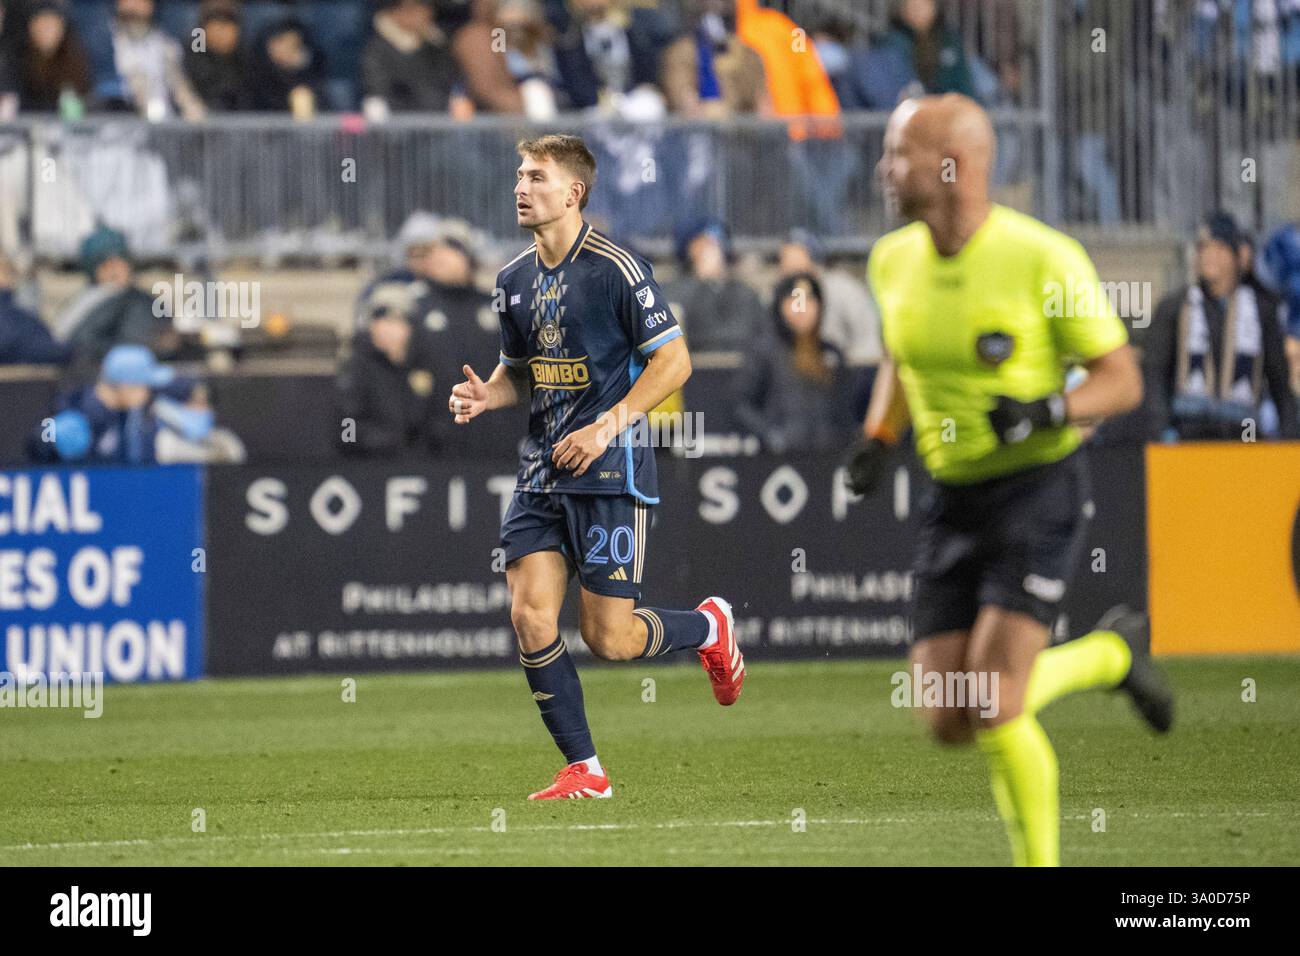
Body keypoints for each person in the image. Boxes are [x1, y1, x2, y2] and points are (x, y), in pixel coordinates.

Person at [845, 94, 1173, 867]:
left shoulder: (1042, 258)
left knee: (994, 700)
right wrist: (877, 435)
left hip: (1038, 490)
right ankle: (1111, 655)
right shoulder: (892, 259)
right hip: (951, 499)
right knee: (947, 716)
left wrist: (1049, 408)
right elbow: (900, 352)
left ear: (955, 165)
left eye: (901, 154)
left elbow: (1122, 382)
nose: (884, 170)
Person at [447, 133, 744, 801]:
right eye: (520, 174)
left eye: (538, 177)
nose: (522, 187)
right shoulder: (511, 279)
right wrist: (487, 393)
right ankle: (586, 768)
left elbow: (675, 363)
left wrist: (609, 423)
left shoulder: (617, 268)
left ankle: (709, 627)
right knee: (530, 617)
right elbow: (521, 373)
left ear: (574, 192)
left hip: (611, 469)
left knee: (610, 638)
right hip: (540, 471)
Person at [1144, 212, 1299, 440]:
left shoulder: (1261, 310)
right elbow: (1155, 373)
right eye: (1203, 249)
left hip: (1242, 434)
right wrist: (1162, 429)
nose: (1209, 257)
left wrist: (1288, 437)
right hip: (1188, 434)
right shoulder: (1176, 307)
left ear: (1238, 256)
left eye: (1219, 249)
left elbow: (1279, 381)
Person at [733, 272, 856, 453]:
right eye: (794, 301)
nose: (802, 308)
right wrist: (770, 435)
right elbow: (740, 403)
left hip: (828, 456)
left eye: (809, 301)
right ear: (780, 306)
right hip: (781, 458)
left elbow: (845, 409)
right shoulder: (765, 351)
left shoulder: (831, 353)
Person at [336, 281, 444, 458]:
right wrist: (389, 442)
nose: (386, 329)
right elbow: (346, 428)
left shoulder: (427, 364)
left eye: (395, 321)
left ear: (410, 327)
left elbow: (442, 417)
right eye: (380, 320)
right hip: (371, 465)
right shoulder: (355, 366)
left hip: (424, 466)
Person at [54, 226, 174, 361]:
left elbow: (135, 349)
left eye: (120, 262)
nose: (114, 270)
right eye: (105, 264)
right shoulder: (85, 298)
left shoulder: (141, 303)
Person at [778, 227, 883, 367]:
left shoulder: (842, 289)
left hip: (844, 373)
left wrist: (846, 372)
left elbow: (869, 343)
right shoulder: (780, 297)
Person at [662, 218, 763, 353]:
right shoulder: (671, 291)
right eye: (706, 243)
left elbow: (748, 334)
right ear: (688, 249)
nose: (715, 249)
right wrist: (704, 282)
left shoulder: (744, 293)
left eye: (719, 242)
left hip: (741, 369)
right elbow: (699, 336)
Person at [360, 0, 464, 116]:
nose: (422, 13)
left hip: (439, 122)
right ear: (394, 12)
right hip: (398, 124)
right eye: (412, 9)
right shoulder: (377, 51)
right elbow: (376, 95)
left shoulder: (438, 45)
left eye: (425, 7)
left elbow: (452, 87)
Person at [107, 0, 205, 119]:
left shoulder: (164, 43)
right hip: (121, 116)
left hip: (165, 123)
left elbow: (180, 86)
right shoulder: (106, 40)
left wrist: (193, 110)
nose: (134, 6)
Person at [18, 0, 92, 114]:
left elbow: (85, 99)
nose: (46, 31)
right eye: (41, 24)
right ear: (31, 27)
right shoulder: (18, 60)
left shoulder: (76, 60)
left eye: (51, 25)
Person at [0, 252, 70, 365]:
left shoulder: (19, 317)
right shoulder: (18, 319)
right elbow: (52, 350)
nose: (14, 278)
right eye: (8, 272)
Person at [184, 1, 250, 112]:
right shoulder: (194, 53)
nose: (221, 34)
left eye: (227, 26)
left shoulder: (245, 57)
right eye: (217, 27)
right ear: (204, 29)